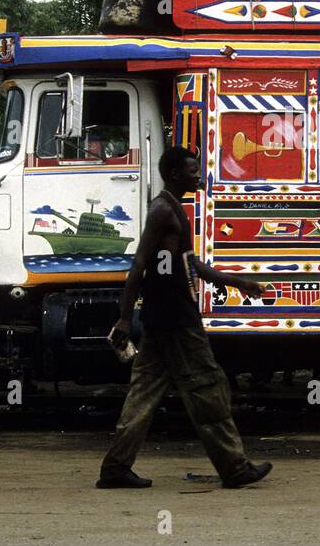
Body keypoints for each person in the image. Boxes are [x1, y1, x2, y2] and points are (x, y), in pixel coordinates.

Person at [97, 146, 274, 489]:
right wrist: (122, 318)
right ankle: (234, 467)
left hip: (161, 319)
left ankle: (116, 468)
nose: (198, 174)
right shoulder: (163, 210)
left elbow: (190, 264)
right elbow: (139, 264)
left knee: (143, 394)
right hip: (176, 319)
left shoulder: (173, 208)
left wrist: (238, 282)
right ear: (175, 174)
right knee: (208, 386)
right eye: (193, 170)